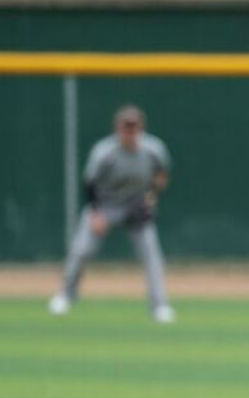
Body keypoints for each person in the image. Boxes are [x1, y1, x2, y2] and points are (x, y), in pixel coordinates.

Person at [49, 105, 175, 323]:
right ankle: (66, 296)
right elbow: (89, 184)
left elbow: (162, 175)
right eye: (126, 126)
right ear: (118, 128)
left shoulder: (153, 149)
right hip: (105, 206)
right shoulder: (104, 152)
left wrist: (151, 197)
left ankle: (160, 306)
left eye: (134, 126)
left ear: (141, 127)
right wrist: (97, 214)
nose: (130, 131)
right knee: (81, 251)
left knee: (152, 256)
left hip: (136, 206)